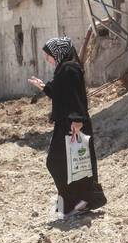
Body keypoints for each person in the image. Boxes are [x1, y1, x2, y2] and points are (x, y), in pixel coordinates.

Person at [29, 36, 106, 216]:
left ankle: (81, 201)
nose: (47, 59)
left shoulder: (69, 68)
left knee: (63, 163)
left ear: (58, 52)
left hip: (73, 124)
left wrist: (77, 120)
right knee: (69, 163)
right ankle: (78, 201)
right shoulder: (64, 68)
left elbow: (76, 96)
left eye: (48, 55)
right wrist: (44, 88)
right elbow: (62, 94)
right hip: (67, 123)